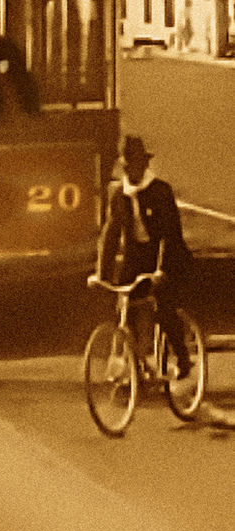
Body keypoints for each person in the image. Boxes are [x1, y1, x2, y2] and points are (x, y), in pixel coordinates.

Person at [95, 134, 193, 378]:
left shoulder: (160, 191)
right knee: (125, 305)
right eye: (127, 166)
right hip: (137, 257)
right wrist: (101, 275)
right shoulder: (119, 194)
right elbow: (110, 234)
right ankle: (136, 367)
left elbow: (169, 235)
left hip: (169, 257)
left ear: (145, 165)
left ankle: (182, 358)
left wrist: (161, 269)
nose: (132, 171)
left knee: (163, 307)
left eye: (136, 165)